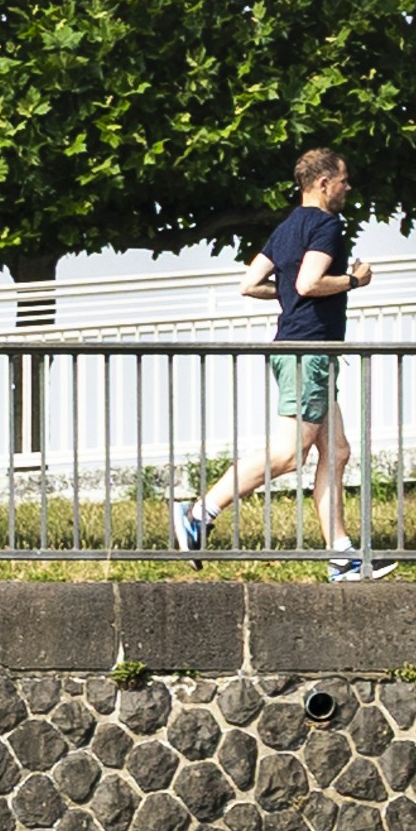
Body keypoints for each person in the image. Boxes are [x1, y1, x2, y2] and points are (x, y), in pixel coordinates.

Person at [170, 147, 391, 579]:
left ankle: (342, 556)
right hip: (307, 351)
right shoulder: (327, 225)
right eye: (343, 179)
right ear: (323, 183)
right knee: (290, 455)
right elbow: (309, 283)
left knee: (337, 451)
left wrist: (288, 293)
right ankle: (200, 512)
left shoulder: (288, 227)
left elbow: (250, 284)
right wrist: (353, 281)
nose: (348, 187)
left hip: (308, 351)